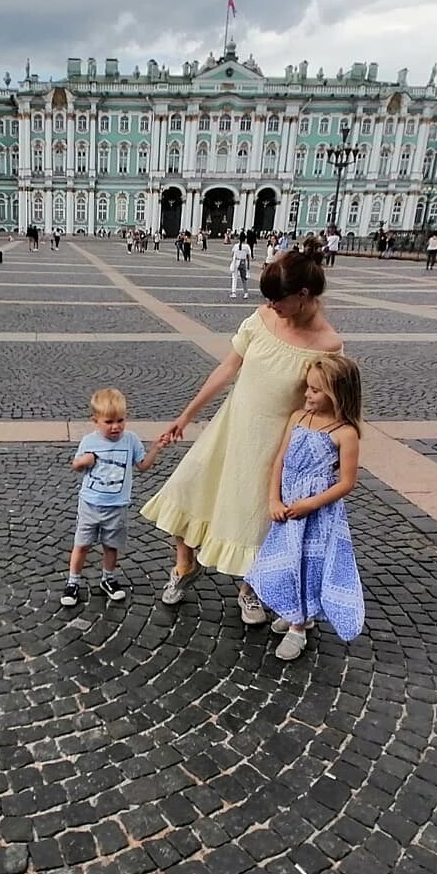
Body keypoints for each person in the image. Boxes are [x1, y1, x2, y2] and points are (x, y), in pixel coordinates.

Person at [141, 247, 343, 622]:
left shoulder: (328, 345)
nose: (271, 305)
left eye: (277, 299)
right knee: (189, 489)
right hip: (231, 427)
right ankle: (184, 567)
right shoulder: (263, 317)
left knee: (255, 519)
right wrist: (186, 416)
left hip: (272, 445)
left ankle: (249, 590)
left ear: (302, 295)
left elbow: (325, 404)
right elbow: (228, 367)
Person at [245, 356, 365, 660]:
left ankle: (298, 626)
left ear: (337, 394)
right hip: (287, 507)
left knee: (306, 566)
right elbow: (280, 461)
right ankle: (295, 610)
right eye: (307, 389)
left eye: (315, 391)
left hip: (316, 515)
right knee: (282, 560)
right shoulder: (298, 417)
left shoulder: (344, 433)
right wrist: (274, 498)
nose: (307, 395)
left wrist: (310, 504)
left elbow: (346, 482)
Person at [61, 388, 171, 608]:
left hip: (117, 506)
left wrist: (156, 449)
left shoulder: (130, 440)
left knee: (112, 545)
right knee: (81, 545)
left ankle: (108, 578)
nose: (115, 426)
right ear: (96, 421)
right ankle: (73, 582)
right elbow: (75, 465)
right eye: (109, 421)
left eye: (120, 420)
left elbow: (143, 466)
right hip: (90, 504)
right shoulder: (89, 441)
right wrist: (84, 462)